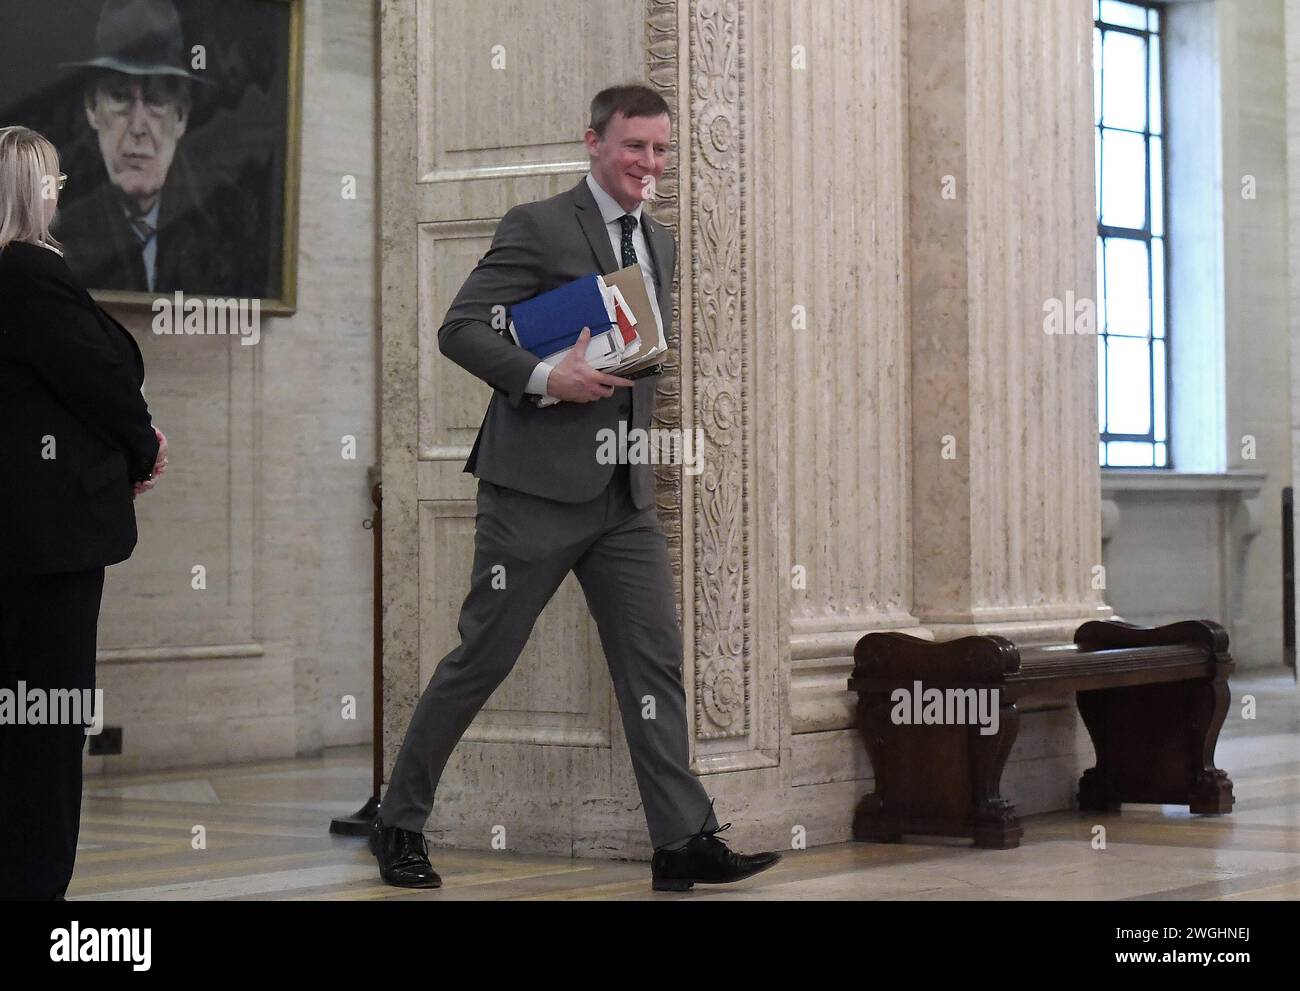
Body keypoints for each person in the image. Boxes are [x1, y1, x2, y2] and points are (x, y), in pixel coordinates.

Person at [371, 84, 781, 892]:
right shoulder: (538, 224)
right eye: (635, 147)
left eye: (661, 150)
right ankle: (399, 820)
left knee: (653, 665)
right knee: (482, 658)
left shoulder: (659, 242)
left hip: (624, 498)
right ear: (593, 142)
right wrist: (544, 376)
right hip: (531, 493)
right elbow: (462, 327)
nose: (649, 164)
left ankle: (682, 839)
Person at [0, 125, 167, 900]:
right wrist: (144, 449)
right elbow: (105, 377)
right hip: (46, 549)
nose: (62, 191)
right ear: (27, 190)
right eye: (54, 180)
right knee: (45, 730)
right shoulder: (29, 271)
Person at [53, 0, 237, 295]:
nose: (138, 127)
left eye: (155, 100)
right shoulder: (56, 234)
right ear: (92, 108)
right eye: (119, 96)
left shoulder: (220, 231)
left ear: (181, 117)